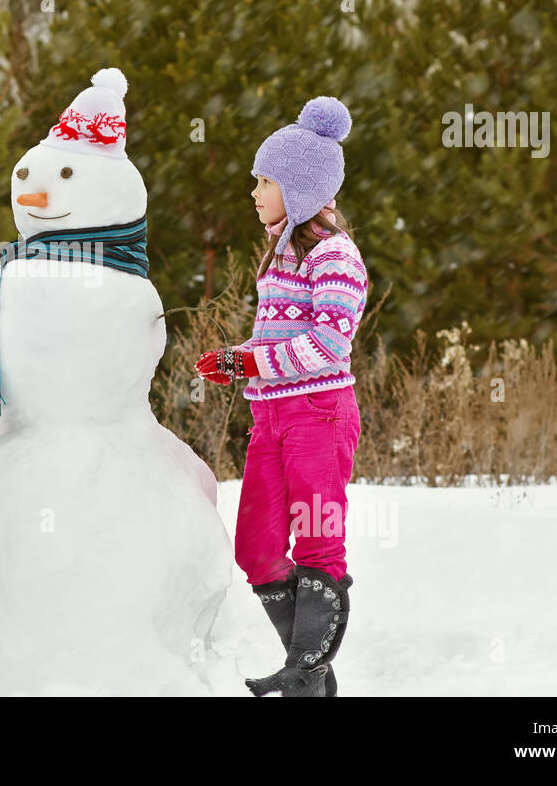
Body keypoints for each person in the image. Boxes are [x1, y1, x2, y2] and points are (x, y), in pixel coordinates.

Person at [195, 96, 368, 697]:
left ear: (298, 189)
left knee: (318, 539)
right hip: (270, 417)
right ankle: (310, 672)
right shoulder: (281, 255)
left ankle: (304, 672)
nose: (255, 192)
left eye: (264, 181)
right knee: (257, 545)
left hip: (319, 414)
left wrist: (253, 362)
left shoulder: (335, 256)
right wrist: (237, 357)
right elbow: (278, 341)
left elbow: (328, 344)